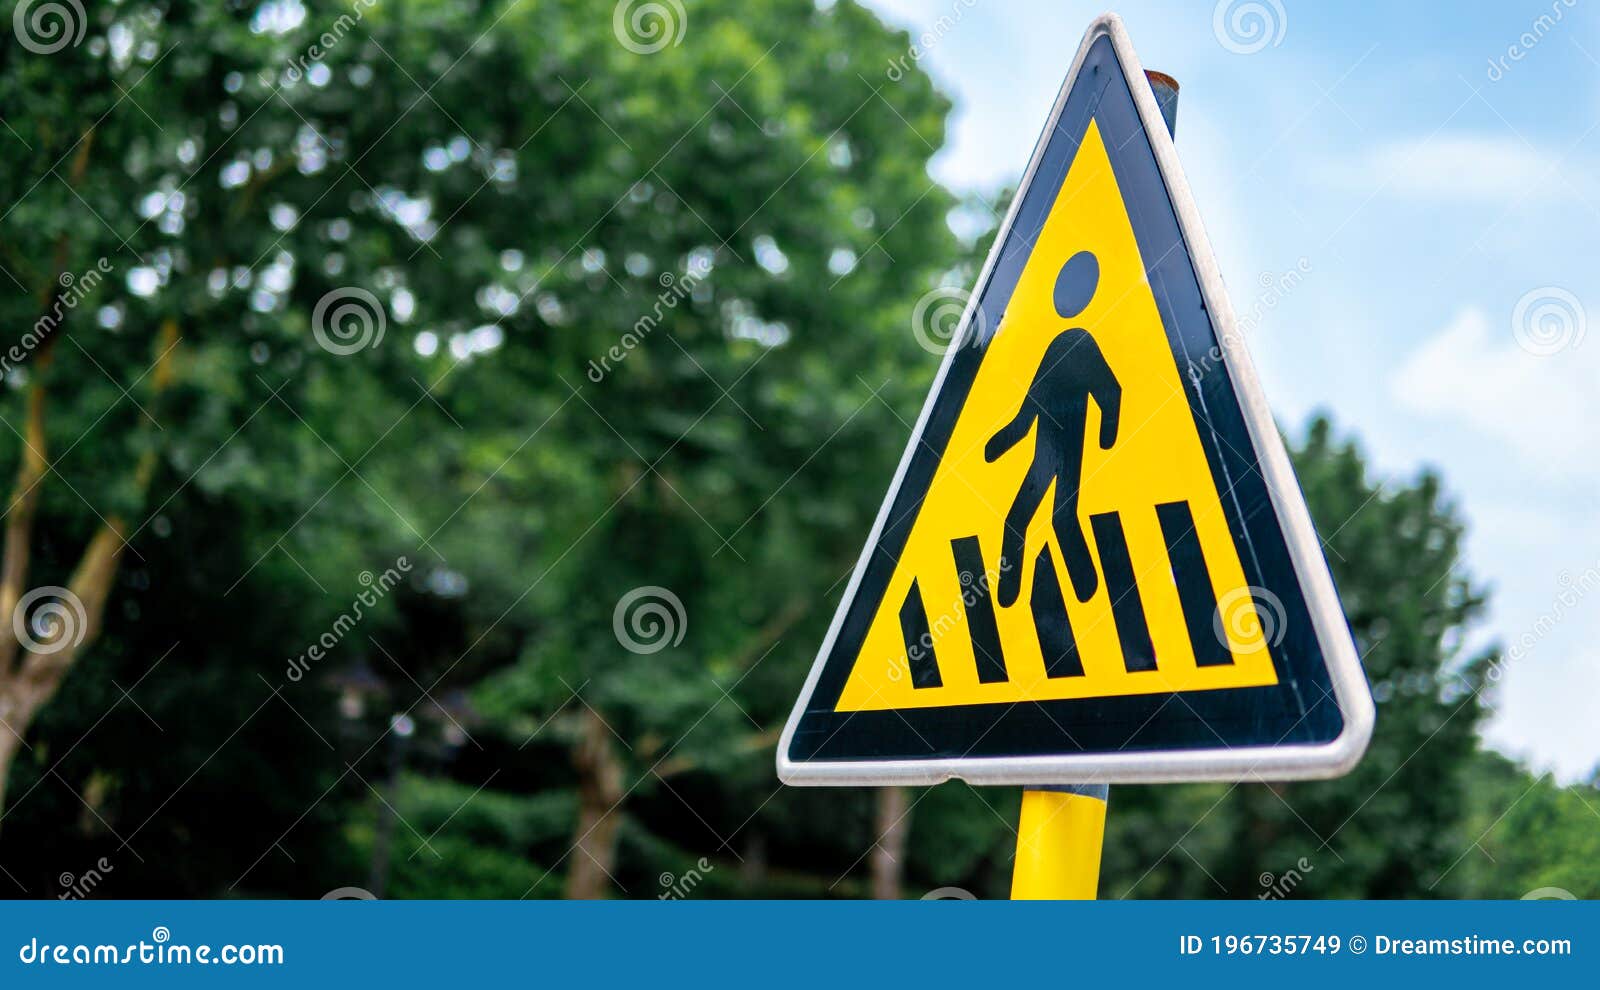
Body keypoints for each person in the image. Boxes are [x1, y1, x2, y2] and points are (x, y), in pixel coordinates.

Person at [985, 250, 1121, 608]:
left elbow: (1111, 390)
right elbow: (1028, 410)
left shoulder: (1080, 342)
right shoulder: (1055, 346)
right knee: (1019, 521)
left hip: (1068, 450)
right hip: (1044, 452)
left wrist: (1108, 436)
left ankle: (1090, 593)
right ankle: (1009, 599)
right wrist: (1000, 442)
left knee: (1063, 518)